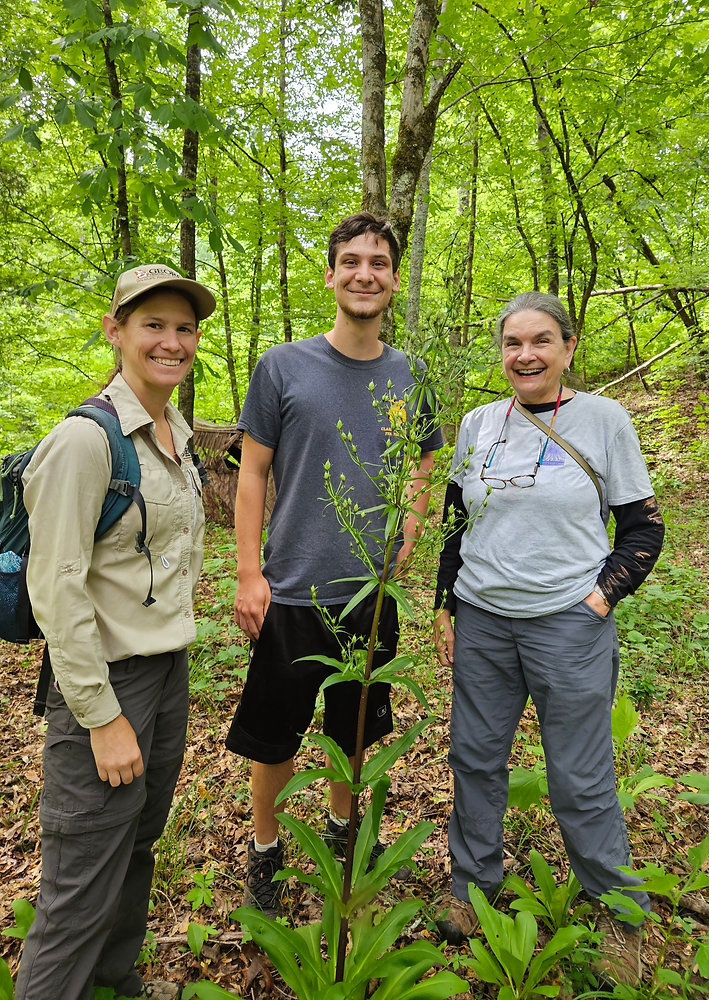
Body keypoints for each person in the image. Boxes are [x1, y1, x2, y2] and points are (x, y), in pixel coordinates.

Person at [433, 291, 665, 986]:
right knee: (474, 758)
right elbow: (454, 524)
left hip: (568, 625)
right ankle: (474, 889)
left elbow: (644, 529)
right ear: (500, 351)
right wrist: (445, 606)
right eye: (512, 343)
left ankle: (620, 913)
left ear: (567, 347)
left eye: (540, 341)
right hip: (482, 622)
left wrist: (597, 600)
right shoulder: (478, 424)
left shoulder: (602, 420)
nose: (525, 355)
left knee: (580, 776)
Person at [227, 212, 443, 918]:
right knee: (274, 735)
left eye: (378, 262)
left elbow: (424, 456)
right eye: (351, 261)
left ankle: (344, 832)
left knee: (355, 732)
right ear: (330, 275)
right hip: (291, 588)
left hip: (369, 596)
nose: (364, 273)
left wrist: (411, 522)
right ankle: (266, 850)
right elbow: (252, 473)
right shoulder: (283, 366)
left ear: (393, 278)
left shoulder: (411, 372)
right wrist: (249, 573)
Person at [15, 264, 216, 1000]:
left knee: (136, 845)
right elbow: (55, 588)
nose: (171, 341)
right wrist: (100, 718)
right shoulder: (83, 441)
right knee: (80, 872)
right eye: (152, 325)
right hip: (105, 680)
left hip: (166, 672)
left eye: (184, 327)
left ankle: (113, 979)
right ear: (116, 330)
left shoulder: (174, 433)